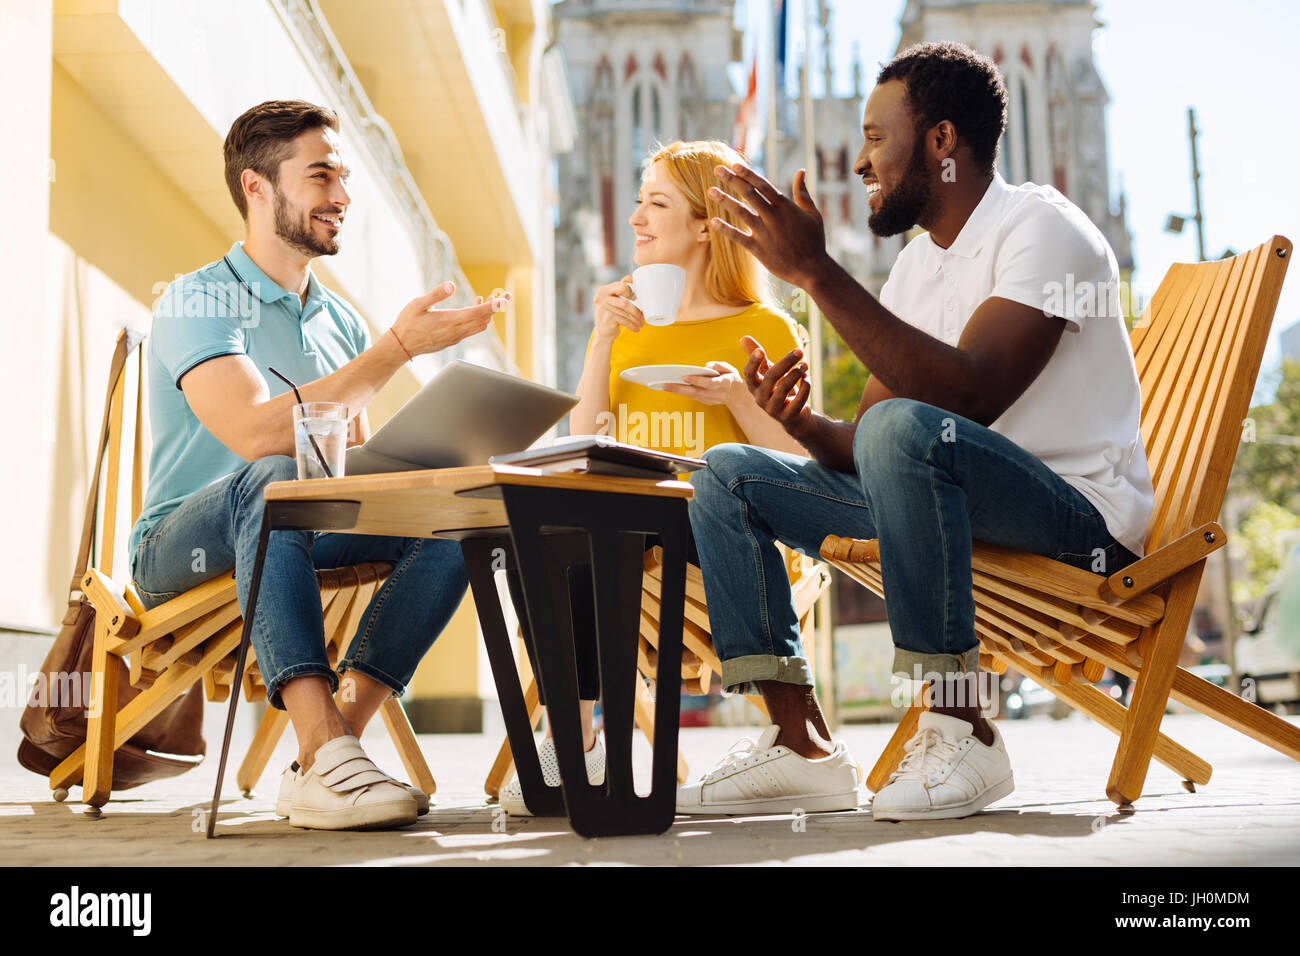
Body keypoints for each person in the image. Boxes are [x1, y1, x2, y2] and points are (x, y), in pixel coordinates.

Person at [678, 41, 1153, 821]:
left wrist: (817, 275)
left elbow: (972, 392)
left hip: (1075, 524)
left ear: (940, 142)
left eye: (875, 138)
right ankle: (800, 745)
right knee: (729, 470)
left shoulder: (1043, 229)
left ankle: (961, 721)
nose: (860, 163)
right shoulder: (915, 269)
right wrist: (795, 422)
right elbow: (869, 444)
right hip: (950, 506)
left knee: (907, 428)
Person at [129, 100, 508, 831]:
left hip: (298, 533)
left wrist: (445, 455)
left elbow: (352, 475)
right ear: (257, 188)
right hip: (184, 544)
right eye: (322, 175)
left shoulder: (340, 321)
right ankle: (322, 743)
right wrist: (397, 351)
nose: (342, 197)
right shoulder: (201, 297)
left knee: (463, 514)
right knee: (273, 484)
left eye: (345, 178)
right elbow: (252, 433)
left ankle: (332, 751)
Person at [497, 140, 855, 815]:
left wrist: (737, 399)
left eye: (655, 203)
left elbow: (799, 466)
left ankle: (590, 742)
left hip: (715, 545)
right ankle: (574, 743)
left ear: (704, 224)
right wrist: (602, 338)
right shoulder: (626, 329)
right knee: (539, 524)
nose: (635, 218)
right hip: (624, 544)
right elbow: (587, 444)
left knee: (587, 532)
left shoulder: (764, 327)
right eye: (638, 200)